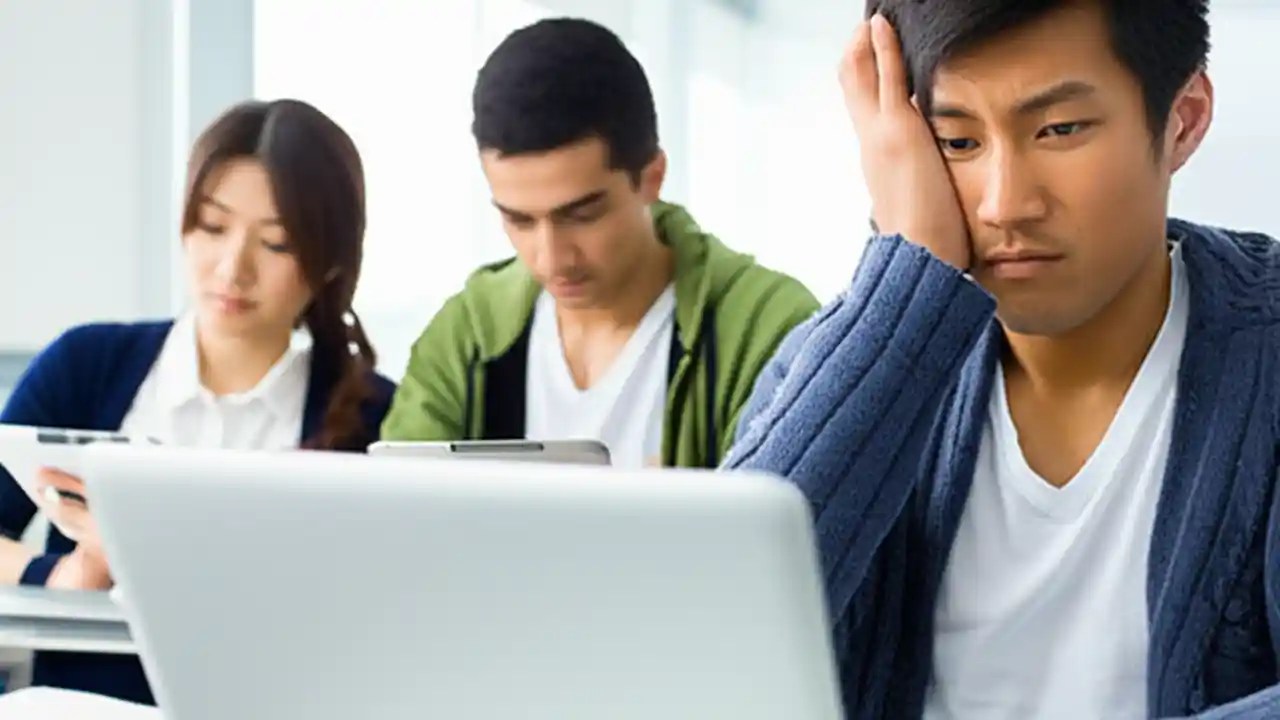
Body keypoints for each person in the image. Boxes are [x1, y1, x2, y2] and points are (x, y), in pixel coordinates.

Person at [727, 1, 1280, 717]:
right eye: (955, 143)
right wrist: (910, 273)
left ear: (1183, 119)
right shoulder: (836, 363)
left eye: (1060, 130)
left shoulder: (1262, 351)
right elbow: (708, 656)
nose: (1004, 204)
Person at [0, 99, 396, 705]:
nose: (232, 268)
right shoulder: (88, 366)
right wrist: (67, 572)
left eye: (277, 243)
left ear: (331, 264)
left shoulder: (375, 417)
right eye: (212, 227)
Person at [381, 18, 818, 469]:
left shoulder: (768, 329)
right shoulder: (467, 333)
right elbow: (393, 521)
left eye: (581, 215)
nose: (551, 259)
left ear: (652, 178)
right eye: (519, 220)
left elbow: (787, 531)